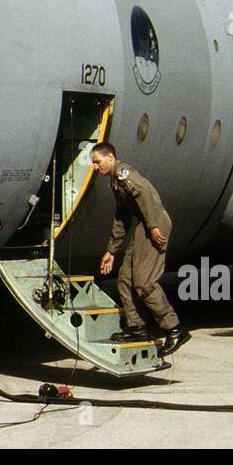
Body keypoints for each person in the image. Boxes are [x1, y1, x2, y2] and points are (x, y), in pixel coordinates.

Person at [92, 142, 190, 355]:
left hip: (153, 224)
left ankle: (174, 328)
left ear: (110, 157)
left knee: (144, 283)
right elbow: (122, 218)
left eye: (97, 162)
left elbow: (145, 195)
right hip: (144, 226)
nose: (95, 167)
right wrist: (111, 251)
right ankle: (138, 327)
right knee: (125, 279)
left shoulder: (124, 175)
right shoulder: (115, 183)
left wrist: (153, 225)